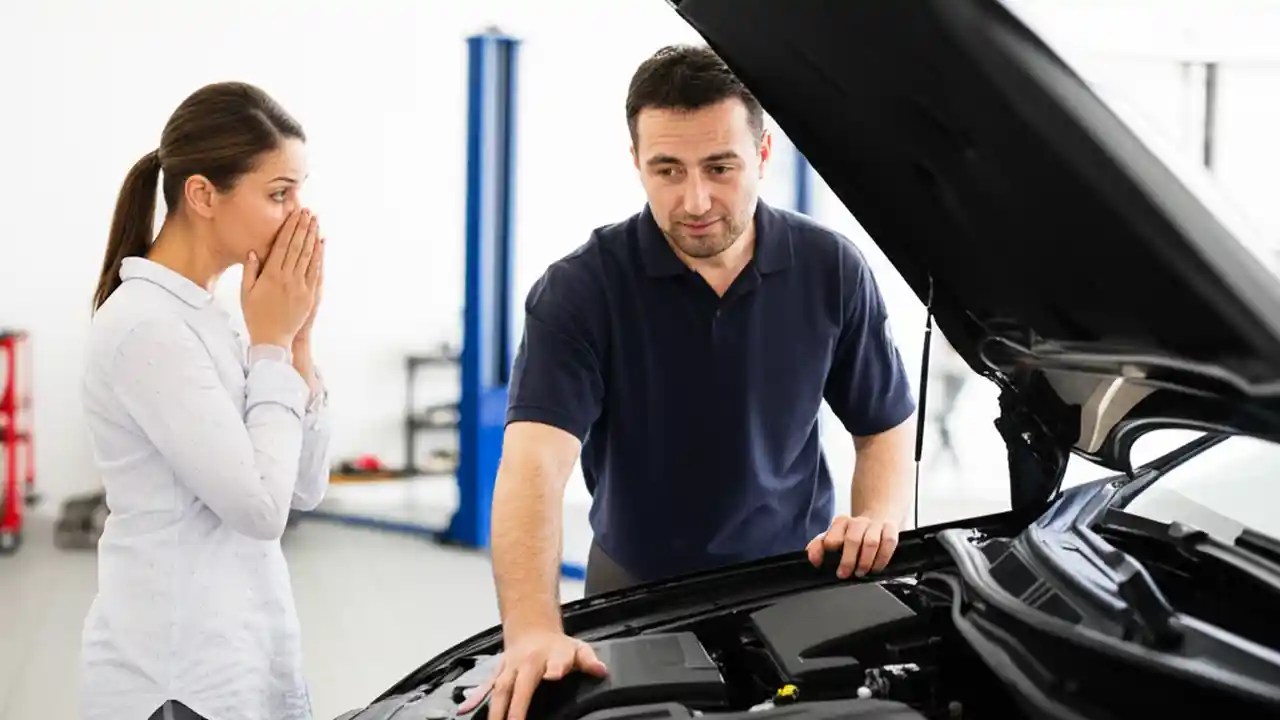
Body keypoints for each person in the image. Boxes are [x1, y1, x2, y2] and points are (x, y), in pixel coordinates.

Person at [463, 45, 917, 720]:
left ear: (762, 156)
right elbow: (532, 467)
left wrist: (878, 518)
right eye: (667, 170)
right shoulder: (579, 291)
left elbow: (881, 423)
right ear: (636, 163)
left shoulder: (832, 270)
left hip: (796, 573)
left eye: (720, 167)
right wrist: (531, 628)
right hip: (636, 584)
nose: (695, 199)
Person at [79, 81, 330, 720]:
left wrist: (297, 346)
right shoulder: (146, 327)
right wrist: (270, 345)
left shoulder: (207, 315)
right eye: (279, 194)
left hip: (237, 656)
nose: (300, 216)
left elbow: (304, 486)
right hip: (178, 680)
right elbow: (261, 510)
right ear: (202, 194)